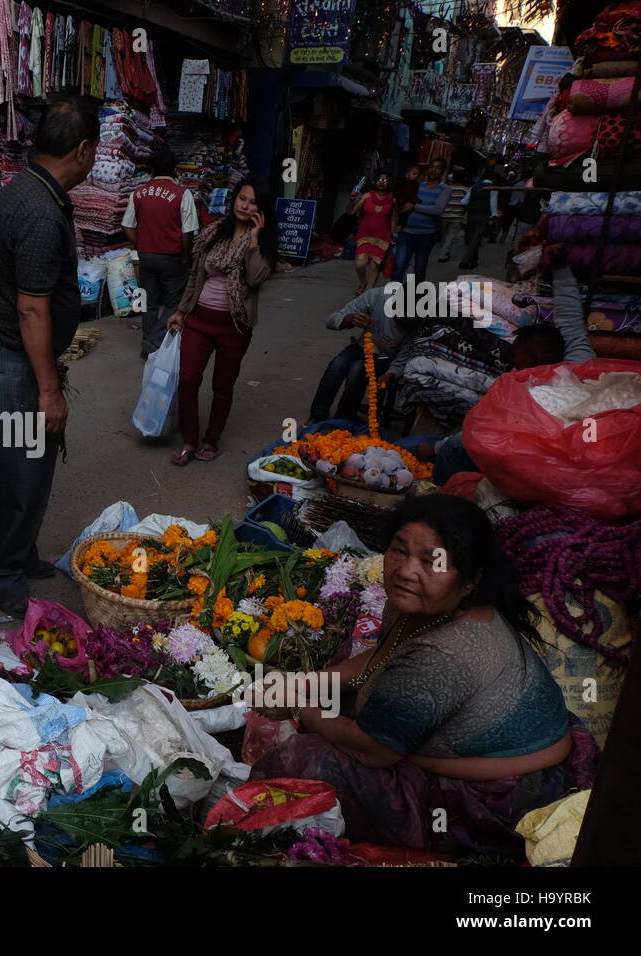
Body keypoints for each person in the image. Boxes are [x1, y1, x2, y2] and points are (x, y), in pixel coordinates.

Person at [249, 495, 596, 857]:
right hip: (470, 738)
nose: (406, 570)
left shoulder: (445, 653)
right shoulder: (417, 603)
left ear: (471, 580)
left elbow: (373, 752)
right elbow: (380, 657)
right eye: (399, 551)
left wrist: (298, 708)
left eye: (433, 562)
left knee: (305, 761)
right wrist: (305, 683)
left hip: (495, 799)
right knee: (340, 680)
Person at [0, 95, 98, 616]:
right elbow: (31, 310)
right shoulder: (41, 210)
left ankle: (18, 556)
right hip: (11, 364)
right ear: (84, 151)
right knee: (17, 474)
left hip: (9, 358)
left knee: (30, 467)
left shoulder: (28, 188)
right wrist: (49, 390)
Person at [414, 245, 596, 483]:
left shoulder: (531, 394)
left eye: (516, 357)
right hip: (582, 449)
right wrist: (561, 268)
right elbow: (571, 321)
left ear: (532, 361)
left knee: (450, 451)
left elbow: (482, 435)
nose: (513, 362)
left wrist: (436, 449)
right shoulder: (579, 362)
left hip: (545, 463)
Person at [166, 176, 278, 465]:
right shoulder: (213, 232)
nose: (246, 206)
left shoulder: (264, 243)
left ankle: (211, 439)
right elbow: (195, 275)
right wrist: (181, 310)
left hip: (234, 326)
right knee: (188, 380)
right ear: (234, 199)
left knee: (222, 387)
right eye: (242, 198)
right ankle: (190, 439)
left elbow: (255, 278)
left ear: (262, 208)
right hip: (199, 320)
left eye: (254, 202)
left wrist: (254, 239)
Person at [121, 148, 198, 357]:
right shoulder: (183, 194)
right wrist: (185, 255)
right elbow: (188, 232)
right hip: (171, 256)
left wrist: (141, 243)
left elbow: (127, 226)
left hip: (145, 256)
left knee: (147, 300)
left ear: (151, 169)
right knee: (175, 300)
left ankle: (148, 342)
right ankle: (155, 342)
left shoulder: (138, 193)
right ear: (175, 170)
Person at [307, 284, 420, 425]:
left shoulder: (416, 324)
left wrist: (390, 375)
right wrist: (349, 319)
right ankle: (317, 415)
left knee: (358, 369)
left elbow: (402, 359)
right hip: (364, 346)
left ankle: (343, 420)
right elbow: (331, 320)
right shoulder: (376, 297)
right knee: (338, 364)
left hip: (386, 358)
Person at [396, 158, 450, 281]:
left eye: (437, 167)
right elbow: (404, 203)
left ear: (442, 171)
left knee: (419, 267)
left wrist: (414, 206)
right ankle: (393, 295)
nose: (433, 170)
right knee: (399, 264)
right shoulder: (417, 186)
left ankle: (415, 296)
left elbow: (437, 210)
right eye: (431, 167)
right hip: (406, 232)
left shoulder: (445, 189)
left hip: (426, 235)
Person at [349, 169, 396, 294]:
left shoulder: (393, 200)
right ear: (375, 181)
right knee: (360, 263)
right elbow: (352, 212)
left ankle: (368, 296)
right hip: (365, 235)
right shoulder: (367, 196)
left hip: (383, 237)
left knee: (375, 266)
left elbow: (394, 219)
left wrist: (394, 235)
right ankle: (363, 282)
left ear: (389, 183)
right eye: (380, 179)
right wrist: (352, 200)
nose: (382, 182)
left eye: (385, 180)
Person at [458, 169, 499, 269]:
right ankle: (465, 260)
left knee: (473, 238)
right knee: (476, 239)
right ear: (493, 179)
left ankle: (474, 260)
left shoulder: (474, 187)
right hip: (483, 215)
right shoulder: (492, 189)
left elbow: (464, 201)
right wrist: (494, 216)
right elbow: (492, 204)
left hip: (471, 214)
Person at [389, 164, 420, 277]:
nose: (415, 176)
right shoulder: (406, 185)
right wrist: (416, 200)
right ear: (407, 175)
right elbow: (407, 197)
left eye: (417, 174)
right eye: (413, 173)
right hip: (400, 207)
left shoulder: (415, 185)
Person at [435, 166, 469, 264]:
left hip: (444, 216)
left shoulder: (446, 188)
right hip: (457, 217)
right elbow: (466, 204)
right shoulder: (465, 189)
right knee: (450, 236)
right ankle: (443, 254)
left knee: (444, 236)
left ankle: (444, 251)